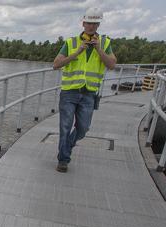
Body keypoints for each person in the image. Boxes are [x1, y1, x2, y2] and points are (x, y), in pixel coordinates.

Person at [52, 6, 116, 172]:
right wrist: (78, 52)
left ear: (98, 26)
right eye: (89, 23)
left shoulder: (105, 43)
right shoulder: (71, 42)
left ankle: (66, 149)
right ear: (83, 23)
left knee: (83, 128)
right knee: (65, 127)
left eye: (95, 24)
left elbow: (111, 64)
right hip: (70, 92)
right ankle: (63, 160)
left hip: (89, 94)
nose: (91, 26)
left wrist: (98, 49)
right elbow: (56, 64)